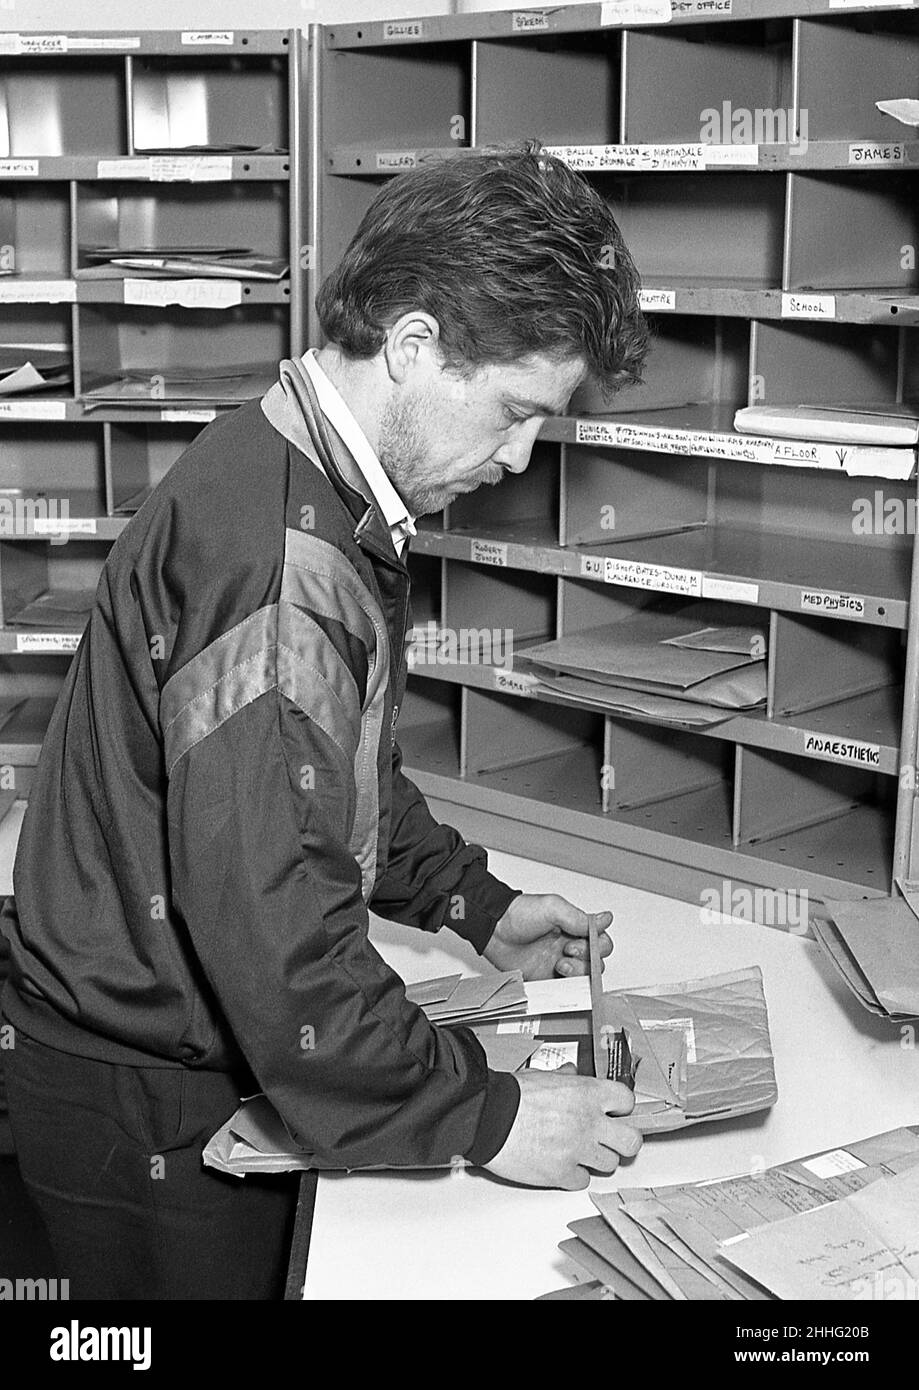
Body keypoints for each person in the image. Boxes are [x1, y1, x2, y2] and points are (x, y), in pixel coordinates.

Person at [0, 146, 650, 1300]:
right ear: (412, 346)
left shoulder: (296, 471)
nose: (518, 456)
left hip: (146, 1045)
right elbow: (275, 931)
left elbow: (325, 773)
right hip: (140, 1093)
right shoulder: (279, 562)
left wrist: (472, 902)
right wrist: (491, 1116)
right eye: (513, 411)